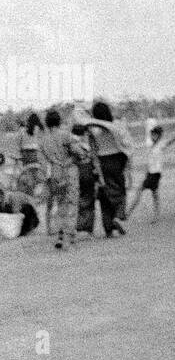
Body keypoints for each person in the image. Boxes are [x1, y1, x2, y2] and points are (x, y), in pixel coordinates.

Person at [40, 109, 86, 249]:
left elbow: (44, 159)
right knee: (71, 203)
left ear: (47, 123)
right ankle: (69, 235)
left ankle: (60, 235)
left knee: (60, 204)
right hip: (69, 171)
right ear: (59, 121)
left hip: (55, 172)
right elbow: (79, 152)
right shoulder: (65, 135)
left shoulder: (43, 141)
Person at [87, 100, 133, 237]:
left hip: (102, 161)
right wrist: (128, 167)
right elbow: (127, 145)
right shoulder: (116, 126)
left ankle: (108, 229)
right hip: (117, 160)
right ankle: (118, 216)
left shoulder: (93, 130)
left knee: (104, 194)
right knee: (120, 190)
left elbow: (93, 152)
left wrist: (97, 170)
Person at [126, 124, 174, 222]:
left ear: (158, 136)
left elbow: (171, 140)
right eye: (152, 135)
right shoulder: (152, 146)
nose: (152, 137)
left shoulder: (161, 145)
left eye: (154, 135)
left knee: (142, 192)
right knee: (154, 194)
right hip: (150, 173)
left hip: (155, 174)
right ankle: (155, 216)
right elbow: (150, 162)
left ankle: (128, 213)